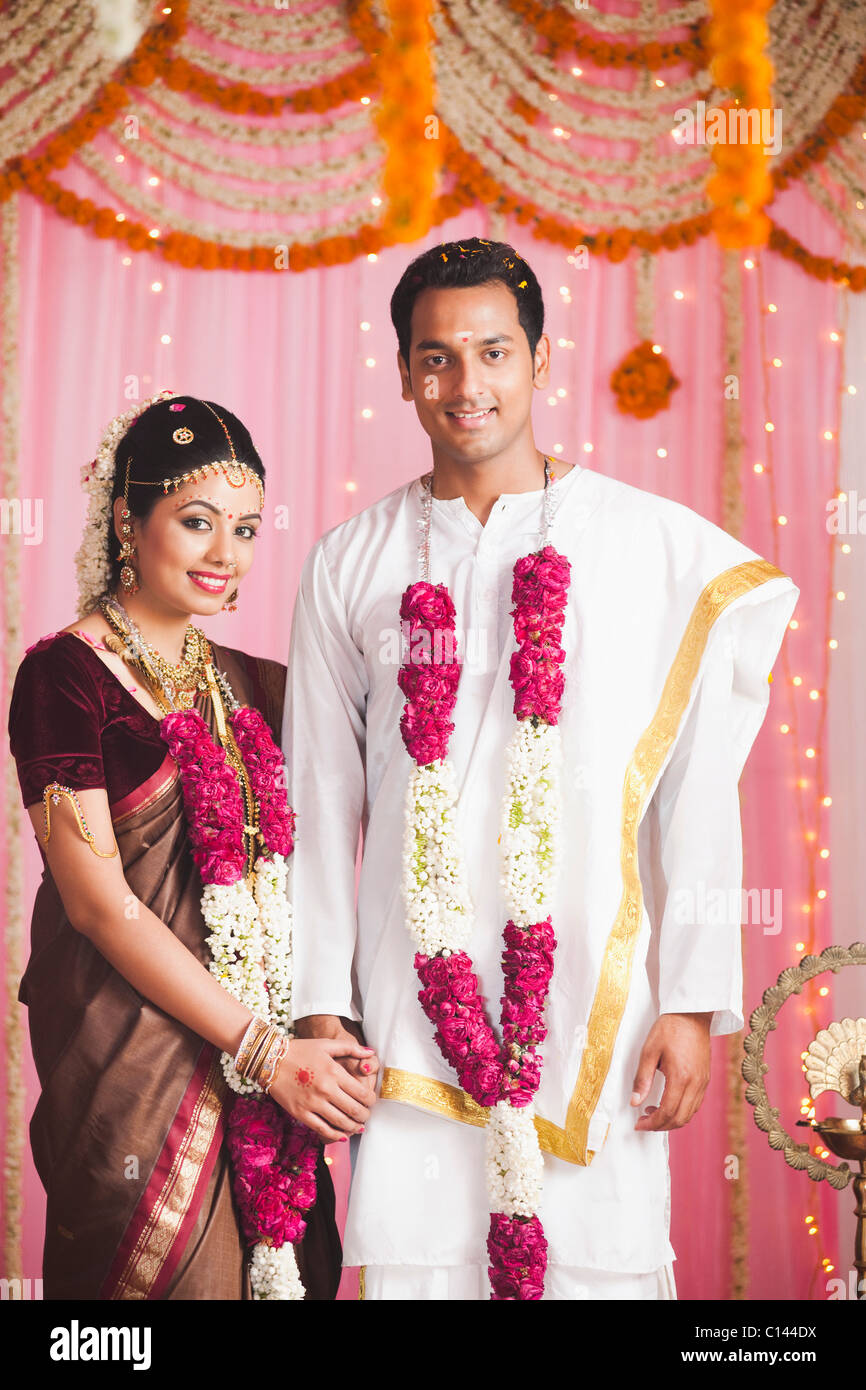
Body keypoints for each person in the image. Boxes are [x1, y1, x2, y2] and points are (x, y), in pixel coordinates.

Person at [283, 237, 800, 1301]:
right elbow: (321, 794)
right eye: (435, 358)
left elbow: (697, 781)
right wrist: (318, 1005)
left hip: (589, 1005)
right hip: (405, 1007)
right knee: (419, 1266)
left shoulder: (649, 545)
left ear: (539, 360)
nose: (465, 385)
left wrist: (692, 998)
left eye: (491, 352)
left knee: (597, 1268)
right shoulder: (350, 558)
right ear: (400, 372)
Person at [7, 392, 378, 1301]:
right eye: (197, 522)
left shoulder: (257, 685)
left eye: (246, 529)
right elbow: (100, 904)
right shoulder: (65, 677)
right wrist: (259, 1051)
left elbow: (394, 788)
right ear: (129, 522)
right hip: (139, 1078)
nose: (226, 554)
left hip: (275, 1087)